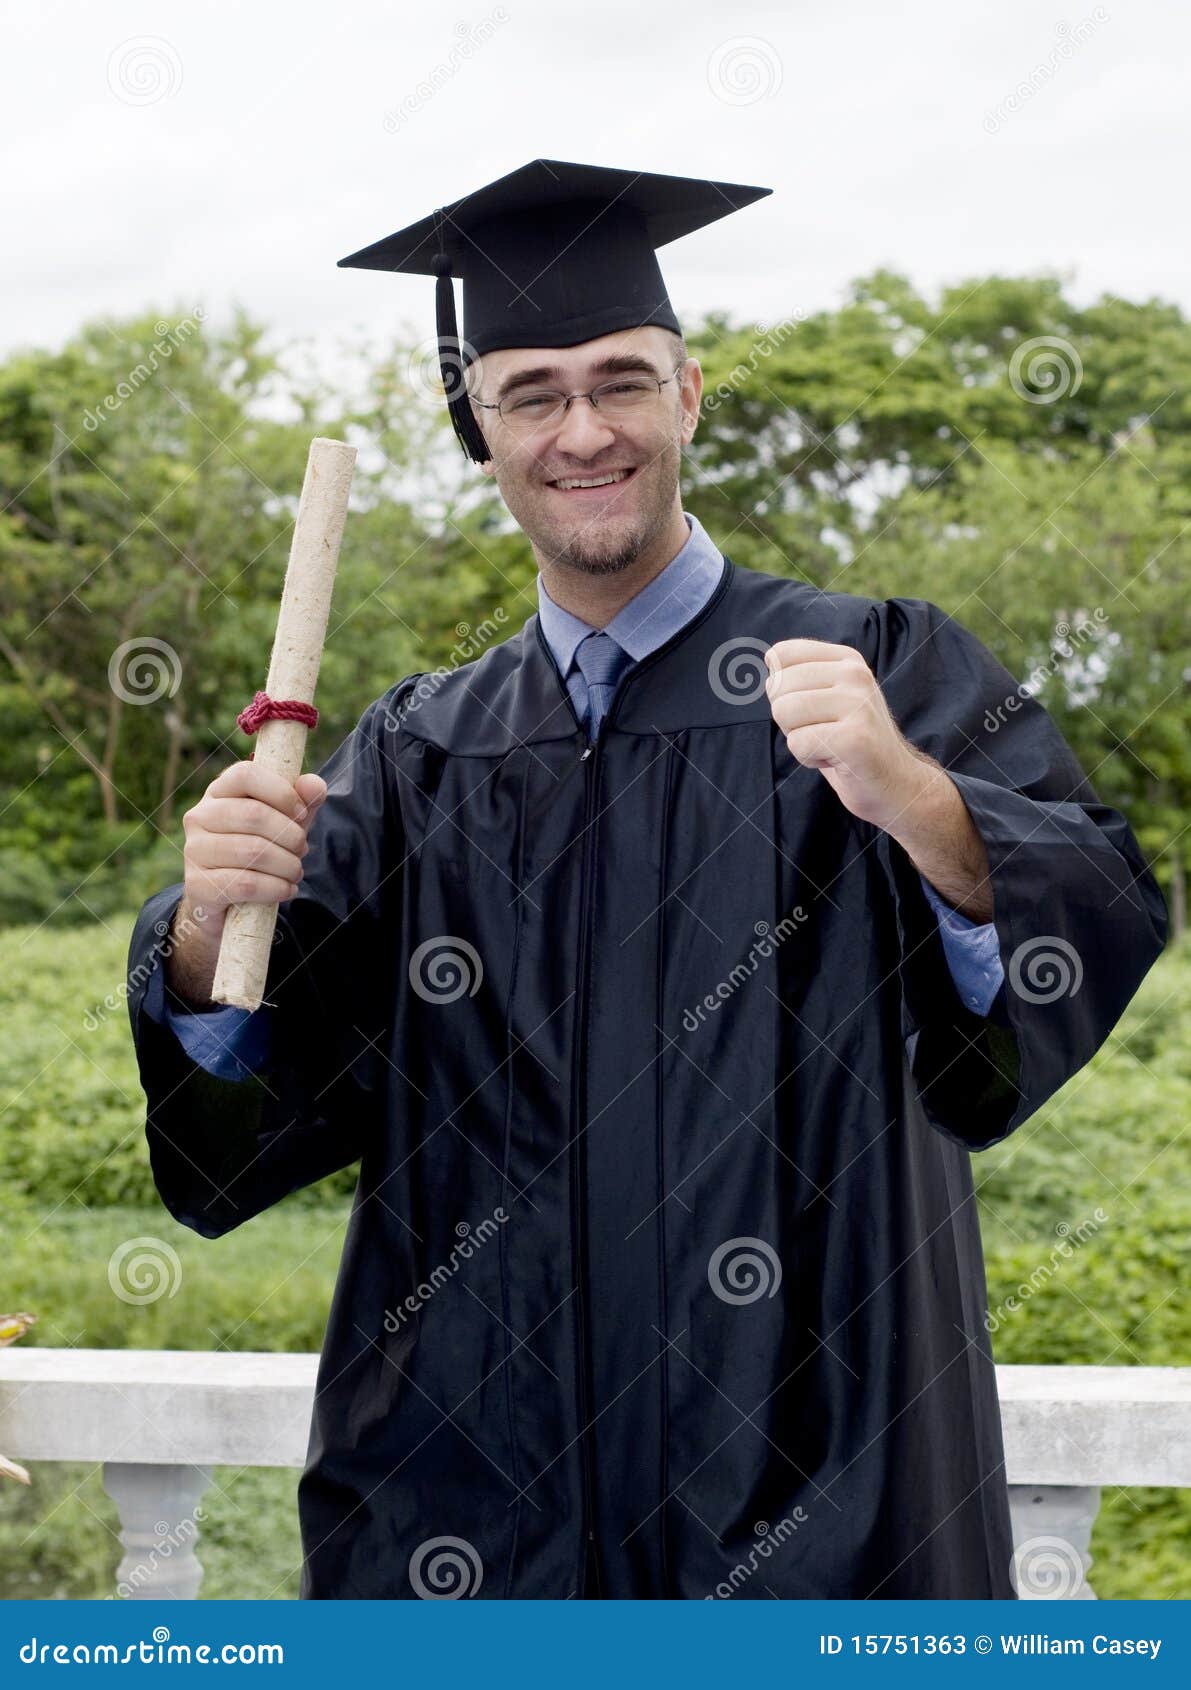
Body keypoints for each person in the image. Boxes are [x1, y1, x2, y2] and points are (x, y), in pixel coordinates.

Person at [126, 160, 1167, 1600]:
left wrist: (919, 800)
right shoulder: (420, 755)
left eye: (622, 379)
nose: (584, 428)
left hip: (826, 1513)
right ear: (476, 431)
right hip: (477, 1519)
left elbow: (1086, 916)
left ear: (689, 398)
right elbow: (258, 1116)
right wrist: (198, 935)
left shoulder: (878, 668)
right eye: (532, 393)